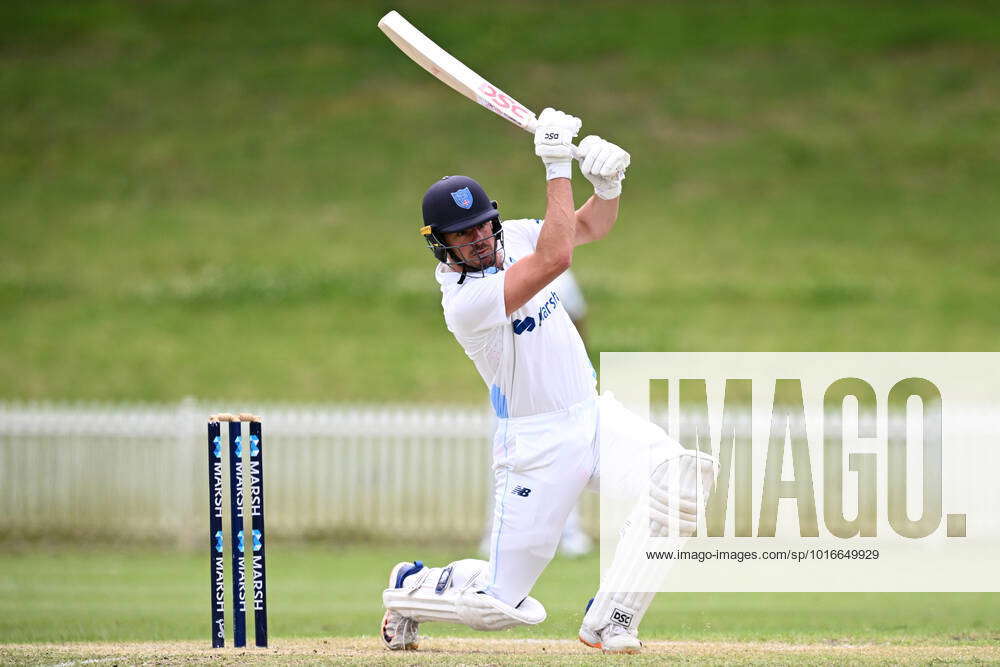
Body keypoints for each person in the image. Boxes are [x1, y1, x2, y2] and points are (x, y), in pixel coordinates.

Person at [380, 108, 717, 654]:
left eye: (481, 226)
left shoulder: (511, 236)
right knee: (501, 606)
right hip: (535, 443)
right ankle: (411, 589)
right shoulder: (466, 303)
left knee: (683, 478)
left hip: (593, 414)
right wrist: (557, 163)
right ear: (440, 245)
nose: (478, 241)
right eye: (460, 237)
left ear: (494, 219)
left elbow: (587, 228)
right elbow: (557, 256)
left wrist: (607, 187)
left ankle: (612, 619)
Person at [478, 268, 594, 558]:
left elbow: (577, 319)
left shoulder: (562, 278)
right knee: (507, 465)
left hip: (557, 392)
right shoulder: (497, 283)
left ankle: (568, 534)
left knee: (570, 459)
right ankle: (501, 535)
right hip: (511, 393)